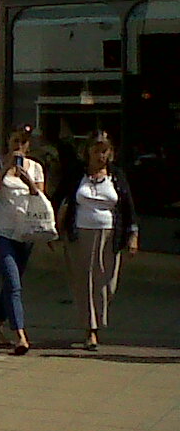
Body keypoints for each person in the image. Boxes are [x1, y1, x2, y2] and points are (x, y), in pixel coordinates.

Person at [58, 132, 139, 351]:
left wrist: (133, 236)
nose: (100, 156)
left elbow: (128, 207)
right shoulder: (77, 174)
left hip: (110, 234)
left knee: (106, 282)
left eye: (104, 151)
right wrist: (55, 229)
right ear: (88, 152)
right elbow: (61, 200)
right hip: (80, 233)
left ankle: (97, 321)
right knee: (84, 281)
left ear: (110, 153)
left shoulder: (117, 176)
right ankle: (90, 330)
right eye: (96, 150)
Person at [0, 125, 48, 354]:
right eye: (15, 142)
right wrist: (5, 169)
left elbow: (41, 198)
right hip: (3, 231)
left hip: (25, 233)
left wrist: (30, 183)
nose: (18, 147)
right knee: (13, 284)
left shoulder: (35, 168)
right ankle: (21, 336)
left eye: (23, 143)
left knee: (10, 285)